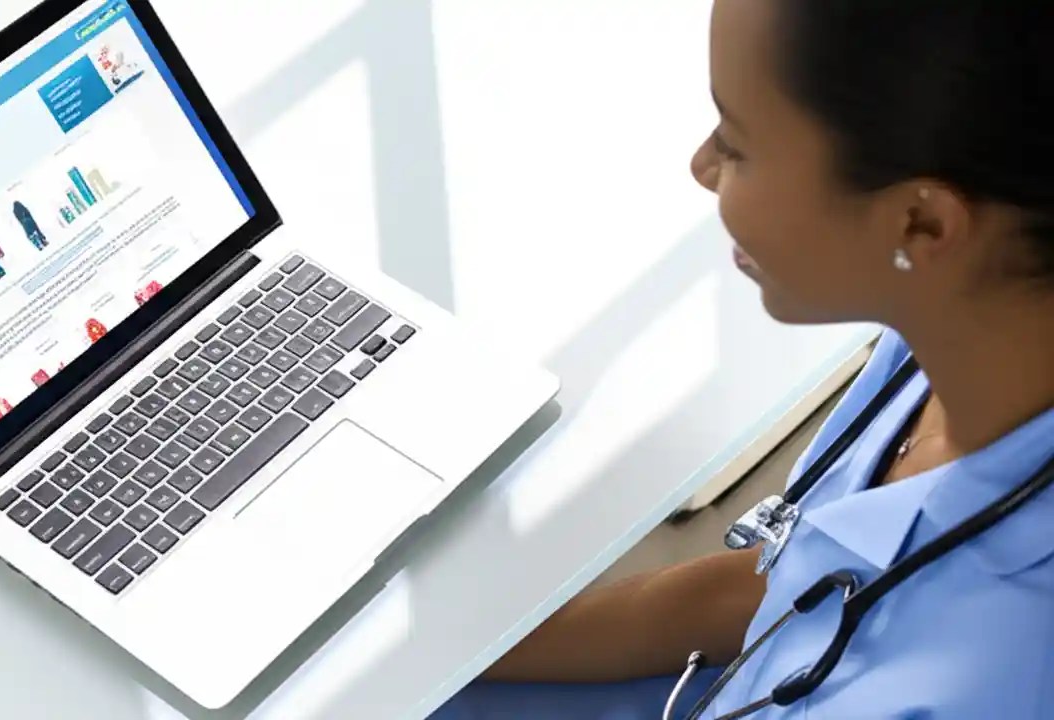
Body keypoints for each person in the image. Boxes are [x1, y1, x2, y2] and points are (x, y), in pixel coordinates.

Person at [433, 0, 1054, 717]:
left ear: (920, 222)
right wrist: (454, 656)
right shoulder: (965, 334)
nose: (702, 166)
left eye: (735, 144)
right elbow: (789, 582)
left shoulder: (994, 679)